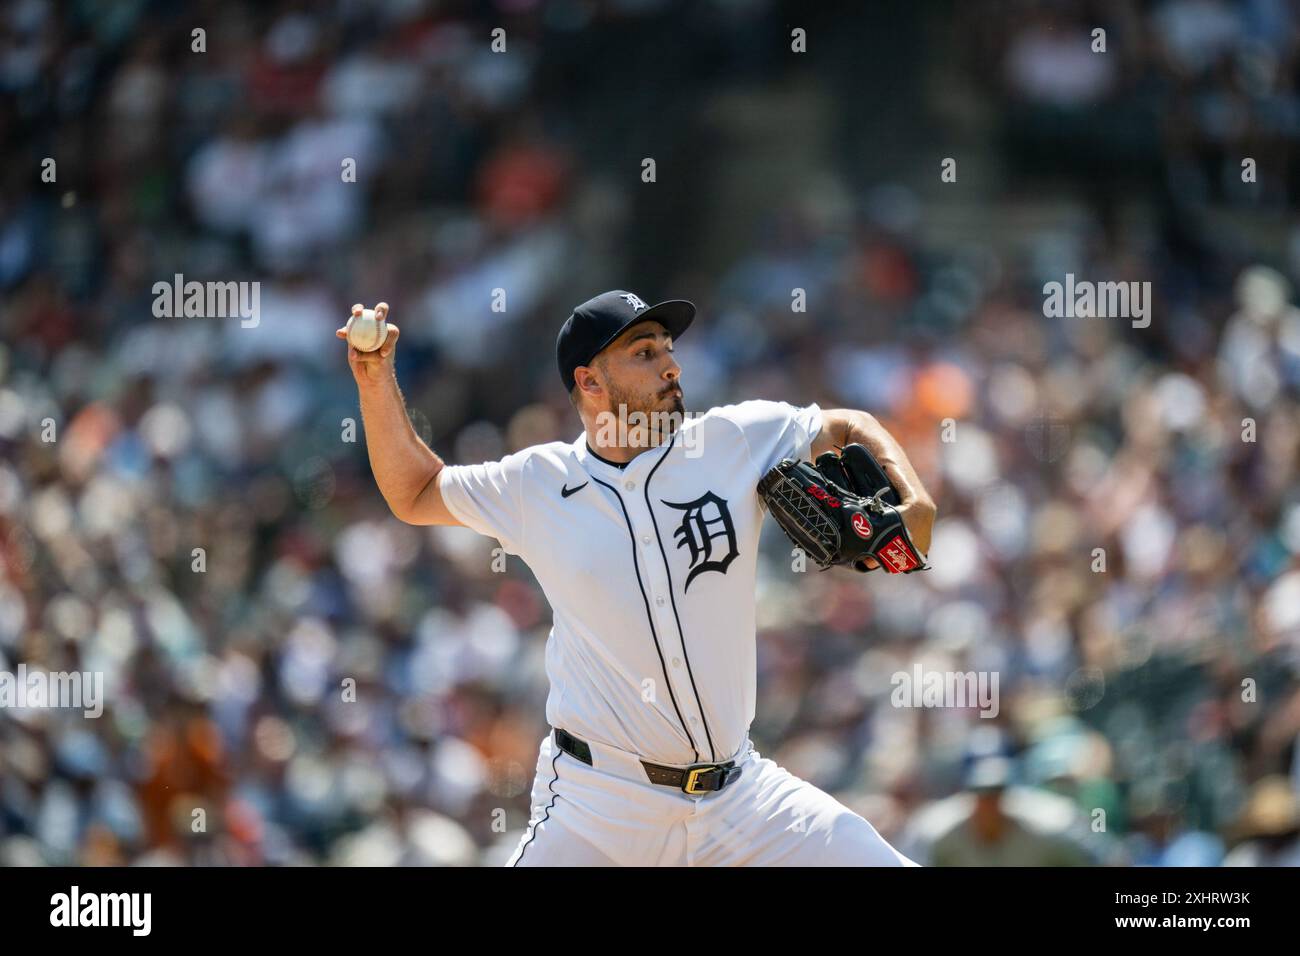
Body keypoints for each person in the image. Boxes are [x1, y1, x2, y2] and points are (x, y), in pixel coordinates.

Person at [337, 290, 936, 866]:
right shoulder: (537, 483)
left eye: (667, 348)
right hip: (601, 806)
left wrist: (913, 499)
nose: (671, 366)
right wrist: (374, 381)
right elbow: (414, 489)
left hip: (740, 797)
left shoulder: (735, 439)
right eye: (644, 353)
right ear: (590, 382)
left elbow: (847, 425)